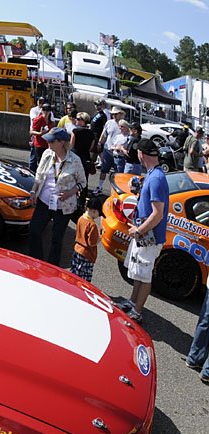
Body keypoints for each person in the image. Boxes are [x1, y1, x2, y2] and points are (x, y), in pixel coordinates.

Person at [114, 139, 170, 324]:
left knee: (144, 275)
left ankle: (137, 311)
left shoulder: (156, 178)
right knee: (139, 271)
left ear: (142, 155)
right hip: (146, 235)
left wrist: (138, 230)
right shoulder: (153, 175)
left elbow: (157, 214)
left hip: (149, 236)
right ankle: (132, 302)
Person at [28, 128, 87, 265]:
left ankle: (51, 267)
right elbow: (39, 175)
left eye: (51, 140)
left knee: (57, 238)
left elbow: (82, 182)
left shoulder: (74, 160)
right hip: (44, 201)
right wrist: (33, 191)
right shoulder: (47, 154)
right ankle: (35, 261)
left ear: (61, 142)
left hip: (64, 206)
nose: (48, 142)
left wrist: (69, 193)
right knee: (34, 230)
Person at [69, 194, 105, 283]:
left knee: (75, 274)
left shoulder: (81, 218)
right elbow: (92, 243)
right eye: (98, 213)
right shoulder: (92, 225)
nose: (98, 216)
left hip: (77, 249)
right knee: (84, 279)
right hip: (87, 254)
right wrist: (101, 236)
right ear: (93, 211)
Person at [95, 106, 127, 194]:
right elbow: (104, 134)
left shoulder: (124, 124)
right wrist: (99, 143)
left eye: (116, 114)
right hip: (108, 150)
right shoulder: (109, 123)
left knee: (118, 173)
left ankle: (116, 191)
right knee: (104, 170)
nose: (114, 116)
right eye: (113, 114)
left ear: (121, 114)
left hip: (118, 152)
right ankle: (100, 187)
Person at [70, 112, 95, 181]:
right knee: (84, 178)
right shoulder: (91, 133)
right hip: (86, 156)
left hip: (75, 155)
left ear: (83, 121)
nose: (76, 120)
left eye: (78, 119)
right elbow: (91, 147)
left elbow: (71, 145)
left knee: (74, 178)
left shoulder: (75, 131)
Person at [29, 103, 53, 173]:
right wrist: (40, 133)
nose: (46, 112)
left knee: (46, 163)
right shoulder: (38, 119)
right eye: (44, 110)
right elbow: (31, 131)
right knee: (40, 162)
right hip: (39, 144)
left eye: (48, 110)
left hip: (47, 144)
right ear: (42, 110)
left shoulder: (50, 121)